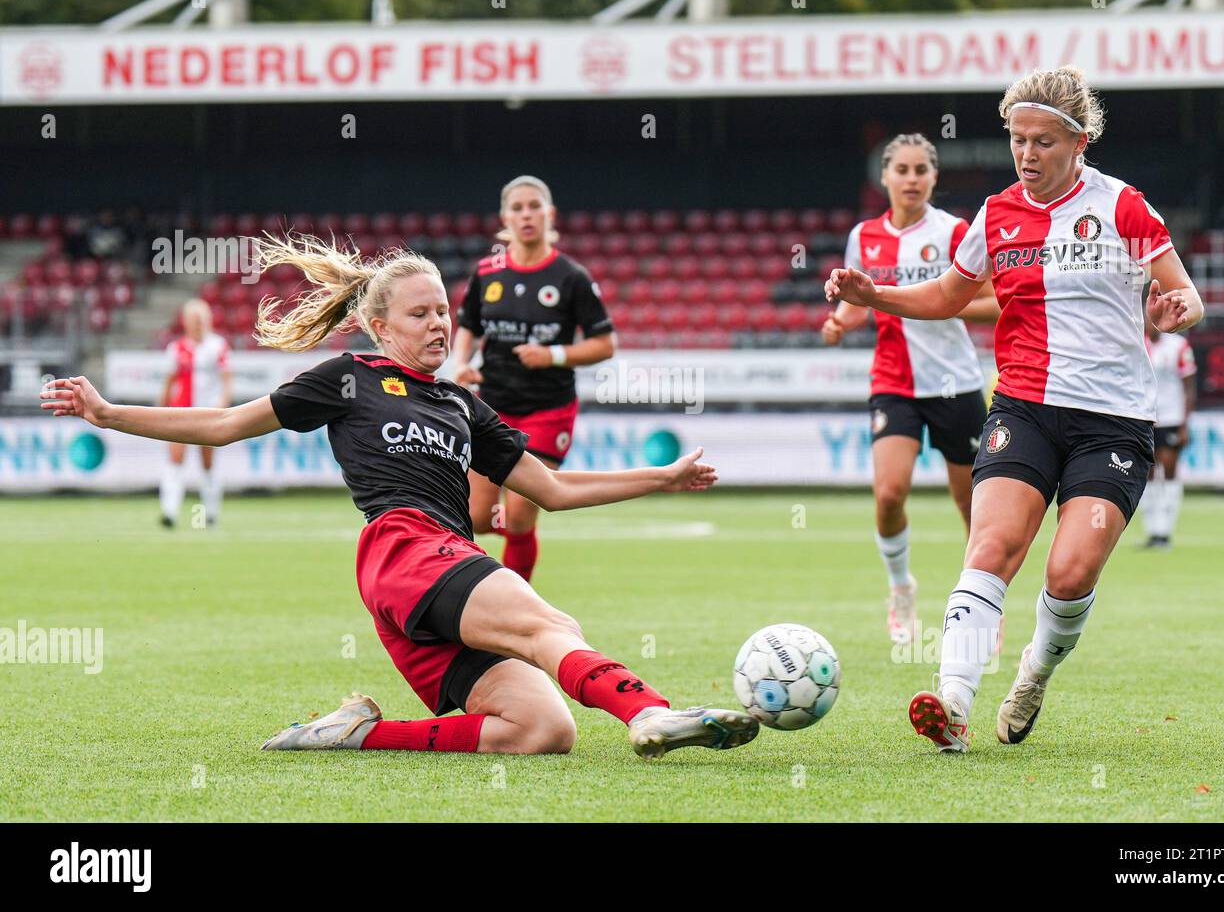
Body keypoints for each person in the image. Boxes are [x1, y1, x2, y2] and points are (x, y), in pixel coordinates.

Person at [42, 235, 758, 760]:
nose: (439, 325)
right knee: (550, 622)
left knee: (542, 730)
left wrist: (659, 479)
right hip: (403, 551)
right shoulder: (348, 376)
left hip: (436, 573)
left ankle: (358, 734)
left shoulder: (461, 405)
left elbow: (555, 488)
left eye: (443, 313)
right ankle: (653, 714)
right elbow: (227, 425)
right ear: (380, 327)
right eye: (420, 315)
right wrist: (110, 414)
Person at [826, 66, 1204, 752]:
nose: (1027, 155)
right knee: (992, 545)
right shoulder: (996, 215)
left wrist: (1177, 310)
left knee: (1070, 572)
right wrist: (874, 295)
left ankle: (1035, 670)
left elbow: (1185, 296)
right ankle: (953, 704)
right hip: (1022, 407)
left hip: (1111, 420)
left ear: (1079, 141)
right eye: (1017, 140)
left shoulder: (1123, 206)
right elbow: (947, 295)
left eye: (1043, 142)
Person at [822, 133, 999, 645]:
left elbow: (996, 300)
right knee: (889, 493)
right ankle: (901, 588)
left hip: (955, 383)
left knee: (973, 506)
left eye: (922, 169)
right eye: (902, 169)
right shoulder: (864, 237)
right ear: (885, 177)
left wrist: (940, 301)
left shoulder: (955, 232)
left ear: (934, 177)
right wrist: (840, 321)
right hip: (894, 381)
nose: (912, 179)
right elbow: (862, 302)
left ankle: (983, 602)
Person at [451, 175, 615, 582]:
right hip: (492, 407)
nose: (526, 215)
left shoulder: (570, 277)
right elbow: (468, 325)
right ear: (506, 217)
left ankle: (518, 611)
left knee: (520, 514)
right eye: (518, 208)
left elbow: (604, 344)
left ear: (549, 214)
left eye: (534, 206)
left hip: (547, 409)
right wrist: (461, 363)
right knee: (479, 516)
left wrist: (553, 354)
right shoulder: (487, 273)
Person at [159, 298, 232, 528]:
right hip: (181, 412)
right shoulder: (176, 348)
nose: (197, 324)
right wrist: (161, 412)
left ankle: (210, 513)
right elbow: (169, 383)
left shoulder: (218, 346)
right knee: (175, 459)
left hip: (208, 413)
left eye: (200, 320)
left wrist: (222, 405)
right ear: (186, 322)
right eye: (192, 320)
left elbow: (226, 380)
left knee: (208, 462)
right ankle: (169, 512)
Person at [1139, 315, 1197, 548]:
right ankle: (1153, 531)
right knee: (1147, 473)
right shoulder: (1137, 343)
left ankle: (1166, 531)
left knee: (1170, 472)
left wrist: (1184, 424)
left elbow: (1189, 387)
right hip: (1145, 418)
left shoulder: (1179, 346)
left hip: (1171, 419)